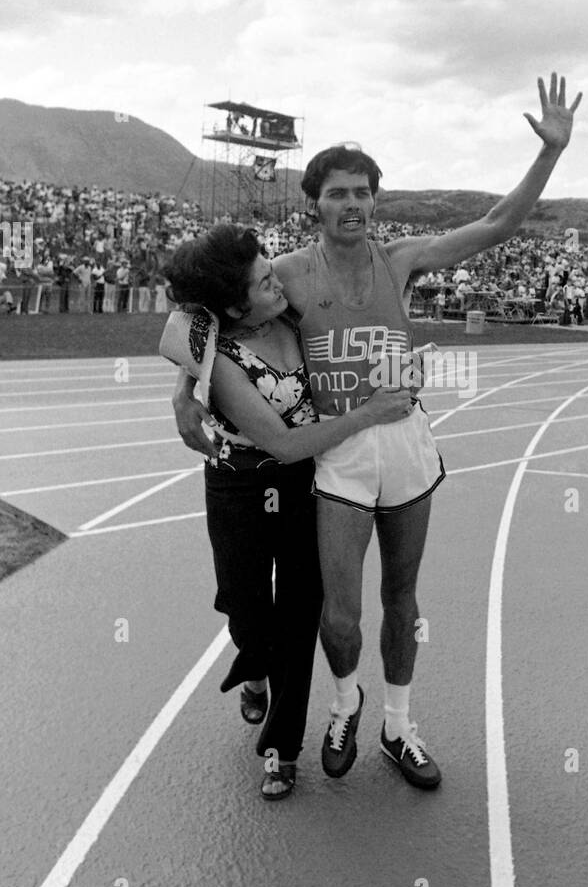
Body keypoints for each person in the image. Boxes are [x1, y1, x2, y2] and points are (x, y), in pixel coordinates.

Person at [171, 71, 581, 791]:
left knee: (402, 596)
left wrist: (548, 154)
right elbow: (197, 315)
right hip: (336, 457)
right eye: (337, 193)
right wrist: (181, 391)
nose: (352, 204)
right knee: (339, 609)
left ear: (375, 199)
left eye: (362, 191)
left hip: (405, 447)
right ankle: (342, 705)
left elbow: (495, 226)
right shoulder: (288, 274)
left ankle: (397, 726)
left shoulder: (403, 260)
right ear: (315, 204)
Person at [161, 225, 413, 799]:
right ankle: (252, 667)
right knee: (248, 613)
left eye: (269, 266)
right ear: (230, 305)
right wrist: (371, 412)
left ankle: (281, 749)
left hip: (305, 487)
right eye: (261, 280)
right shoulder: (219, 355)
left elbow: (187, 326)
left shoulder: (291, 311)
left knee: (299, 618)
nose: (276, 278)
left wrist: (180, 391)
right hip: (240, 487)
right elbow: (283, 443)